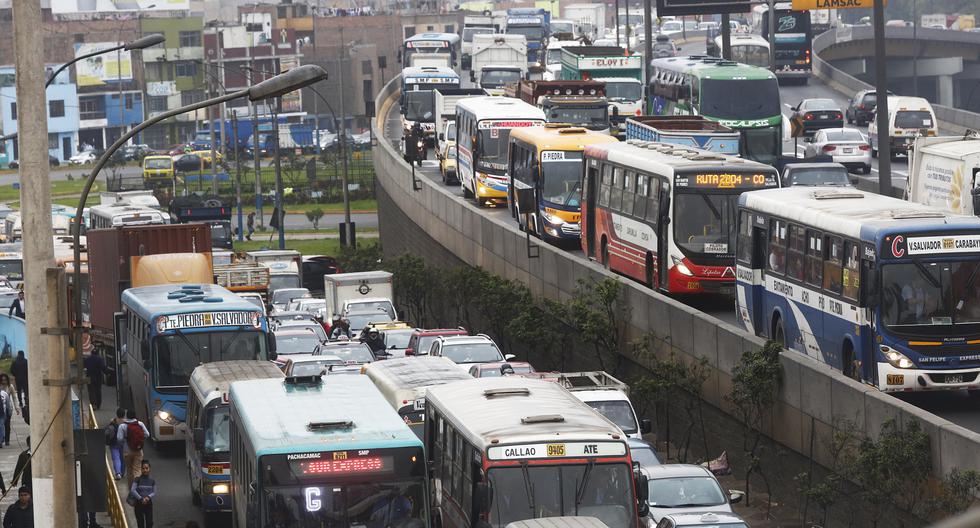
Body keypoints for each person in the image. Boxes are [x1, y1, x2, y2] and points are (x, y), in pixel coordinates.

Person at [117, 409, 150, 488]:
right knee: (137, 470)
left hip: (127, 451)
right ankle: (138, 487)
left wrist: (126, 439)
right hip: (138, 450)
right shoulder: (140, 424)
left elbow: (119, 438)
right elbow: (147, 434)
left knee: (129, 470)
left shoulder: (122, 426)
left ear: (127, 416)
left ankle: (131, 489)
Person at [129, 460, 156, 528]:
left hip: (148, 504)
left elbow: (154, 492)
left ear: (149, 469)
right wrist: (141, 499)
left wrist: (148, 497)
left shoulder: (152, 480)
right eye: (143, 468)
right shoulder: (137, 479)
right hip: (139, 504)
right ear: (140, 469)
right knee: (140, 523)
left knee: (149, 523)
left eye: (146, 468)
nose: (145, 470)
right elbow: (133, 490)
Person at [107, 408, 126, 480]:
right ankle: (122, 472)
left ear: (117, 414)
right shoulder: (126, 423)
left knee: (116, 458)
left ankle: (118, 473)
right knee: (122, 458)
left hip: (113, 442)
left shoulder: (113, 421)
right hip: (123, 443)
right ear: (124, 414)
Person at [0, 374, 17, 447]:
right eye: (2, 380)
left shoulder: (10, 387)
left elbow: (14, 398)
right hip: (1, 408)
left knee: (7, 425)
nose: (4, 381)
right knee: (1, 425)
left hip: (8, 408)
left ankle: (7, 440)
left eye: (5, 380)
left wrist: (17, 408)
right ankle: (1, 439)